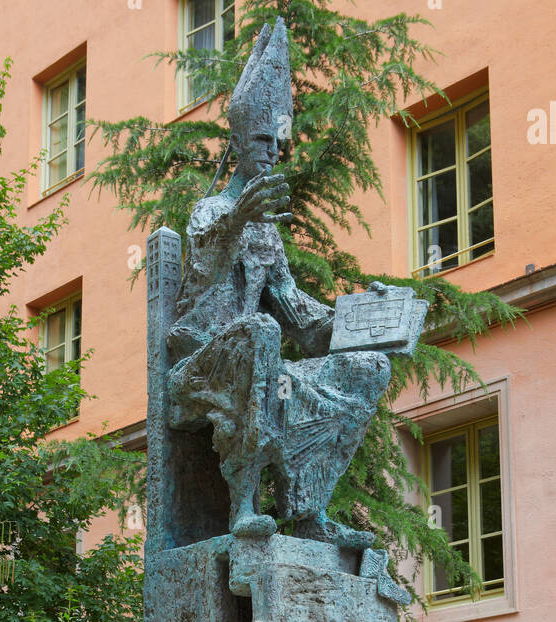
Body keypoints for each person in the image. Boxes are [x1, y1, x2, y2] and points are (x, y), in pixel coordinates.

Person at [168, 18, 393, 545]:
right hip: (199, 369)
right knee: (259, 333)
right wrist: (234, 223)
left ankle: (307, 509)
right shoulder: (212, 212)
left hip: (258, 363)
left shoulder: (266, 232)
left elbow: (300, 317)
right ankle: (242, 506)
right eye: (261, 139)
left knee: (367, 368)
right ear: (240, 142)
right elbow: (202, 279)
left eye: (278, 140)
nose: (271, 150)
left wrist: (365, 321)